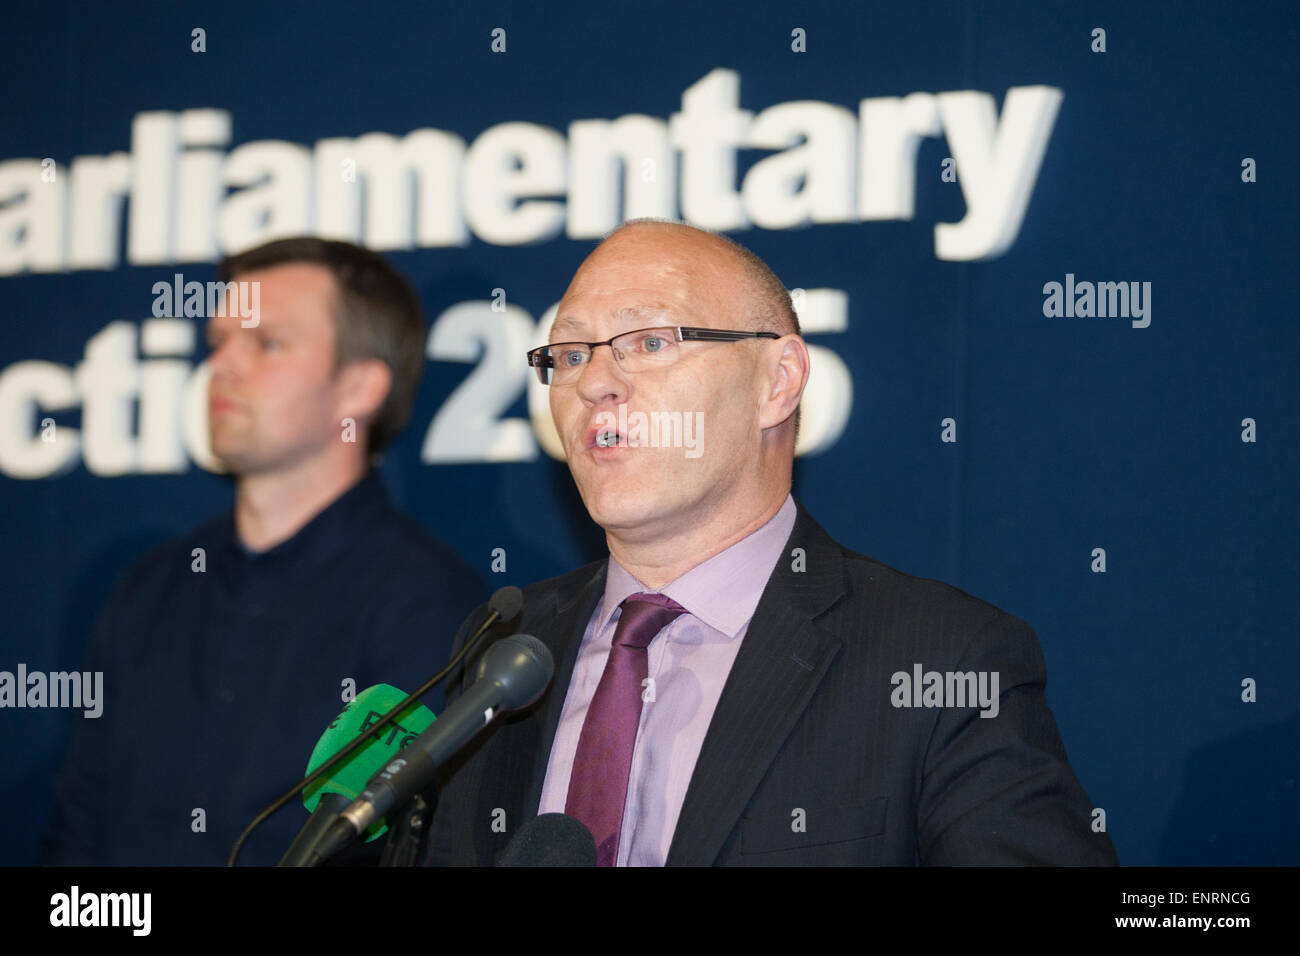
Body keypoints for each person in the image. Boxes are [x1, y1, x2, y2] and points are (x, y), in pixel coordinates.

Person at [426, 219, 1119, 866]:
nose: (596, 383)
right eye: (571, 353)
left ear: (777, 383)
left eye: (651, 343)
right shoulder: (505, 649)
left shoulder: (942, 661)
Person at [40, 237, 487, 866]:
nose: (221, 366)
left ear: (357, 388)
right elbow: (76, 834)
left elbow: (423, 848)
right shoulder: (151, 588)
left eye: (265, 343)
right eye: (218, 342)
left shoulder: (432, 609)